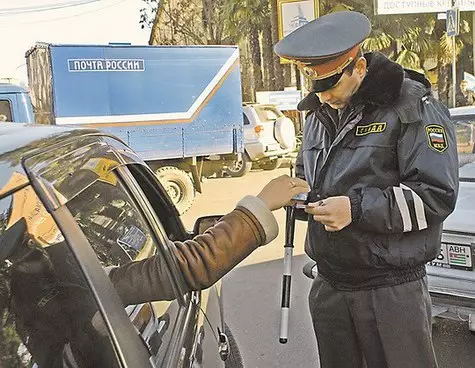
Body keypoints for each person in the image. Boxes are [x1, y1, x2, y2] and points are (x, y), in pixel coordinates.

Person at [274, 11, 459, 368]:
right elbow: (308, 174)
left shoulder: (413, 108)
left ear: (358, 67)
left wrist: (356, 209)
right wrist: (299, 196)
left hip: (390, 291)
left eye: (331, 86)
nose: (324, 97)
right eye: (317, 87)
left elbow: (436, 195)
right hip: (330, 287)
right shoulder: (317, 113)